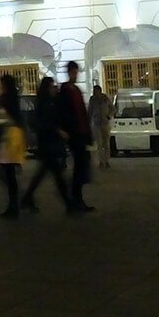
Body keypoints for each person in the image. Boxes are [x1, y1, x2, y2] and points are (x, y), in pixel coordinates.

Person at [21, 77, 73, 213]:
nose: (54, 89)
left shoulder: (49, 102)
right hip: (48, 144)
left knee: (43, 174)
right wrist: (58, 131)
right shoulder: (44, 104)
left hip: (49, 144)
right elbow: (46, 123)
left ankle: (27, 198)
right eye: (52, 86)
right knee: (55, 175)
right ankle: (68, 203)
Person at [59, 61, 96, 211]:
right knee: (79, 166)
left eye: (77, 72)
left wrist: (87, 132)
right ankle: (75, 198)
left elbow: (82, 112)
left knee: (82, 165)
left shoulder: (76, 90)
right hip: (74, 134)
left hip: (80, 132)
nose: (76, 74)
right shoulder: (66, 90)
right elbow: (65, 112)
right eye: (74, 72)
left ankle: (76, 198)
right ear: (69, 72)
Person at [0, 75, 28, 218]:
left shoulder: (4, 99)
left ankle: (15, 205)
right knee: (9, 174)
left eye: (1, 84)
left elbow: (1, 122)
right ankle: (18, 202)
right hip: (16, 136)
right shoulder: (14, 98)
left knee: (7, 174)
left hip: (8, 138)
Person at [88, 83, 114, 169]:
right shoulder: (92, 100)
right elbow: (90, 111)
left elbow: (113, 108)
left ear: (100, 91)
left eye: (96, 91)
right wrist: (88, 121)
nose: (95, 93)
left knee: (106, 143)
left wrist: (109, 116)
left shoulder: (105, 99)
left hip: (105, 123)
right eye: (94, 91)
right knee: (99, 143)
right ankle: (101, 162)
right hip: (96, 123)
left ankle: (106, 161)